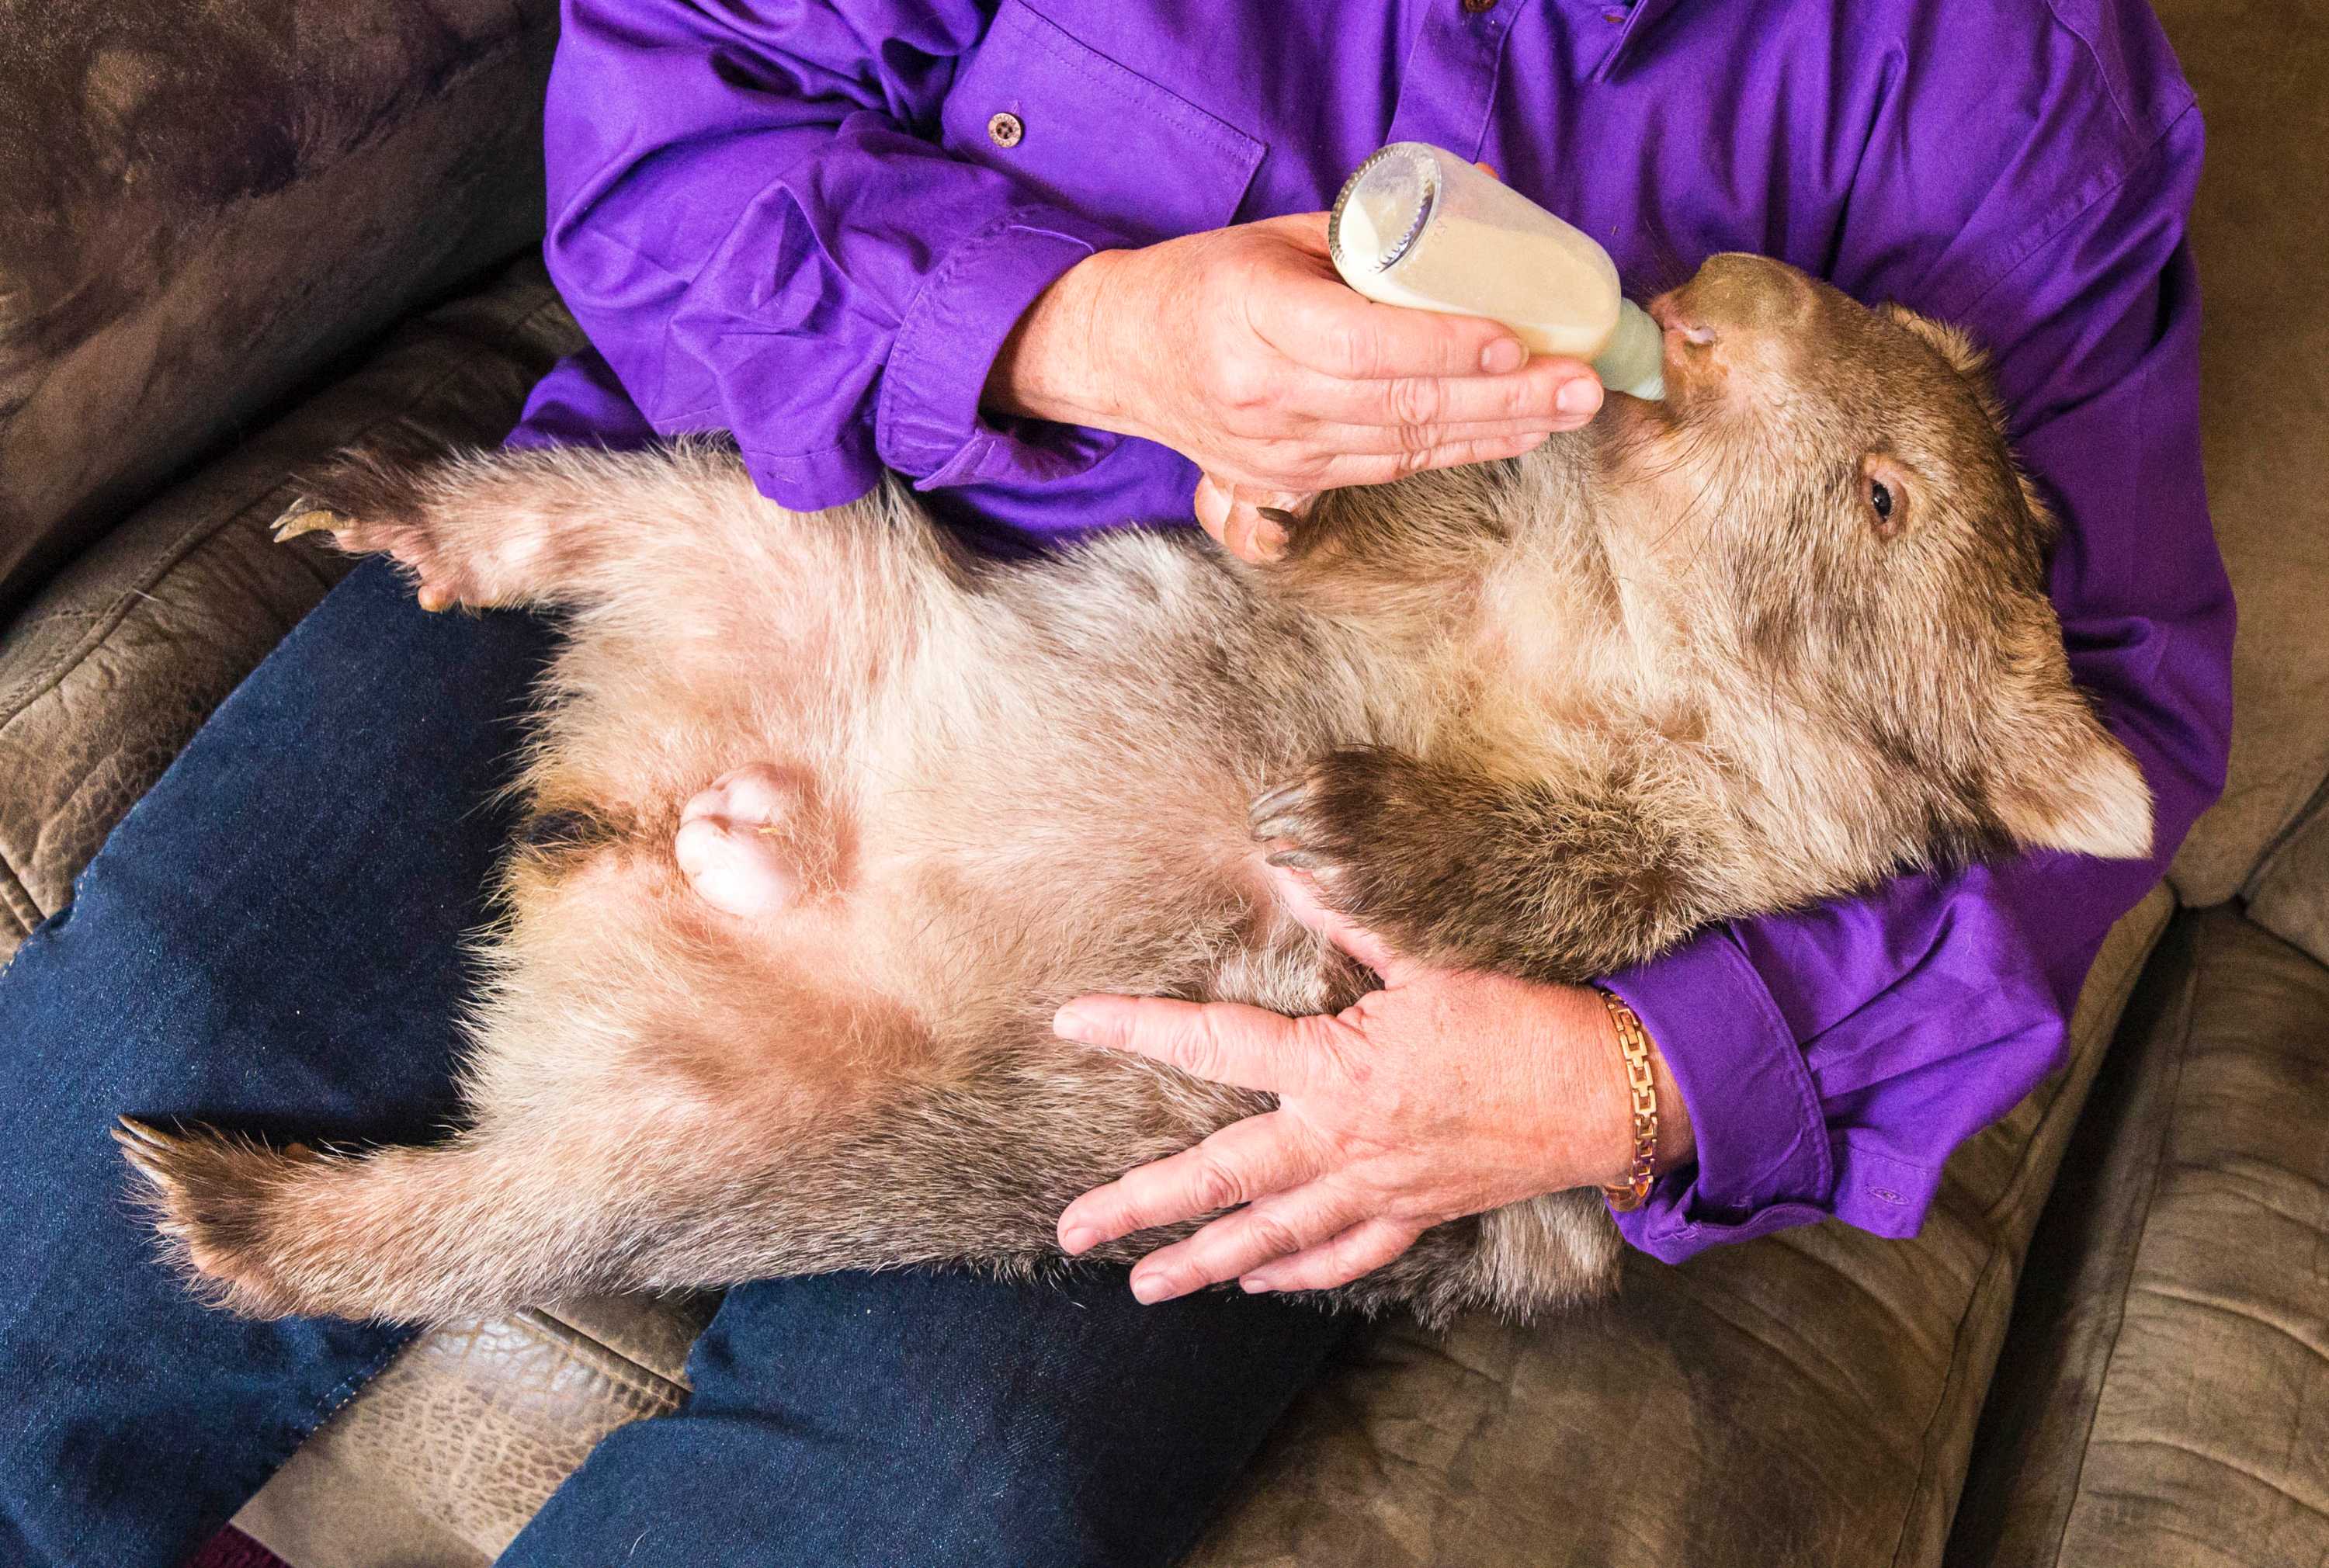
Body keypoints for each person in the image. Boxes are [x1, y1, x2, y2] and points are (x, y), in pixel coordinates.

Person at [0, 2, 2231, 1566]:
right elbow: (679, 119)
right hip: (826, 513)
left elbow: (2084, 711)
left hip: (1321, 885)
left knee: (953, 1501)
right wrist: (1080, 335)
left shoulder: (2006, 84)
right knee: (165, 1017)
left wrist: (1637, 1078)